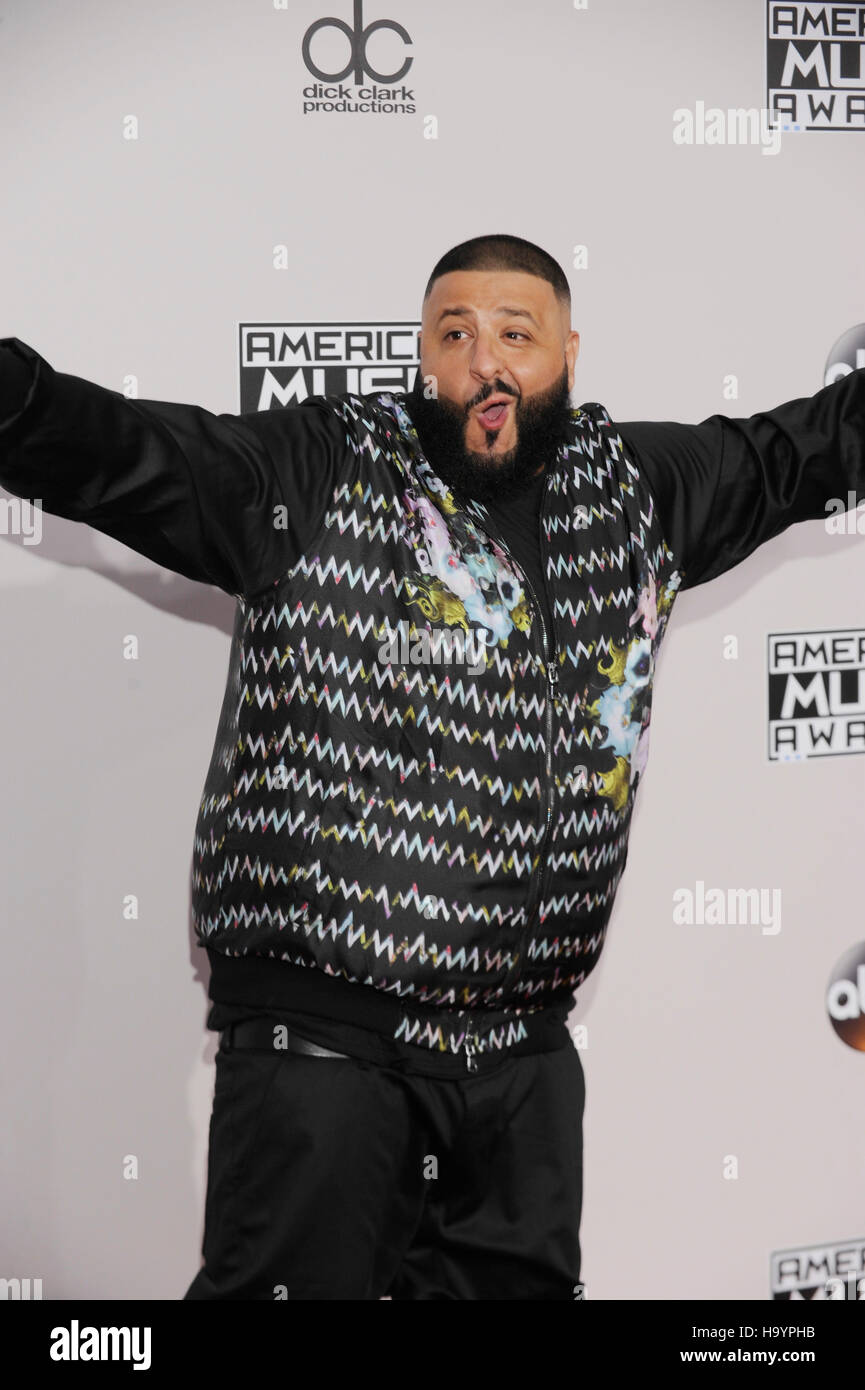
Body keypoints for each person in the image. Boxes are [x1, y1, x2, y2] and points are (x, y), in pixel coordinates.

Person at [1, 234, 862, 1301]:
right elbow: (128, 452)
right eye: (454, 335)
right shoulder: (319, 468)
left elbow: (798, 453)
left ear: (568, 355)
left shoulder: (639, 490)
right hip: (325, 1051)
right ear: (422, 353)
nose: (484, 363)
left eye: (515, 334)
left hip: (521, 1064)